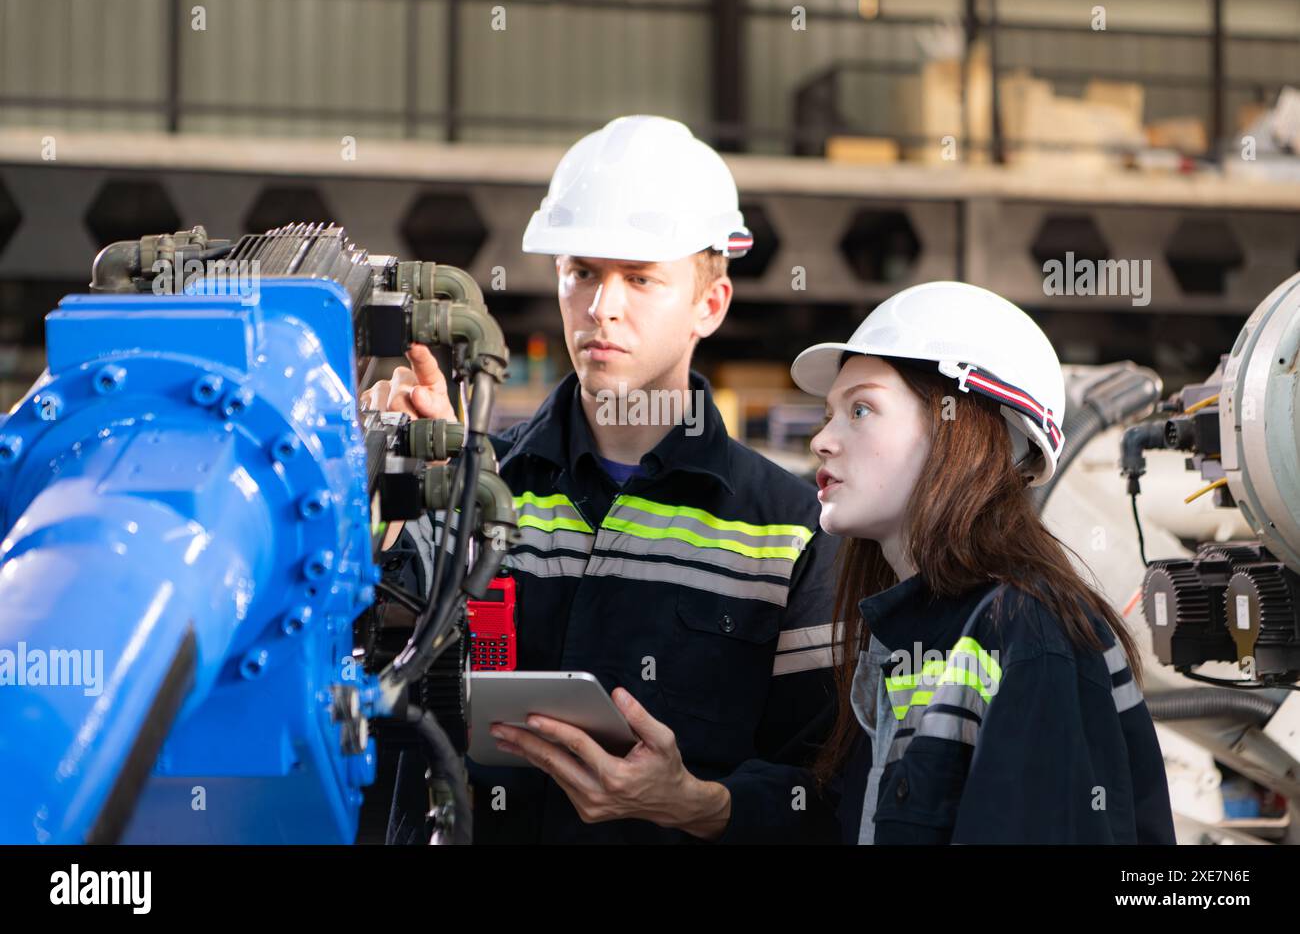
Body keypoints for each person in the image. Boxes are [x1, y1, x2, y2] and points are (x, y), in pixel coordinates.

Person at [368, 114, 842, 843]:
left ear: (708, 305)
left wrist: (701, 804)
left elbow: (829, 791)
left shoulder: (791, 530)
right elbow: (379, 672)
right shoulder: (476, 484)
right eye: (582, 272)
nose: (601, 307)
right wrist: (395, 494)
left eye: (641, 278)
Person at [790, 280, 1176, 844]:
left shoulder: (1029, 633)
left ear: (961, 427)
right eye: (830, 414)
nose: (822, 440)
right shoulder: (906, 638)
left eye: (861, 409)